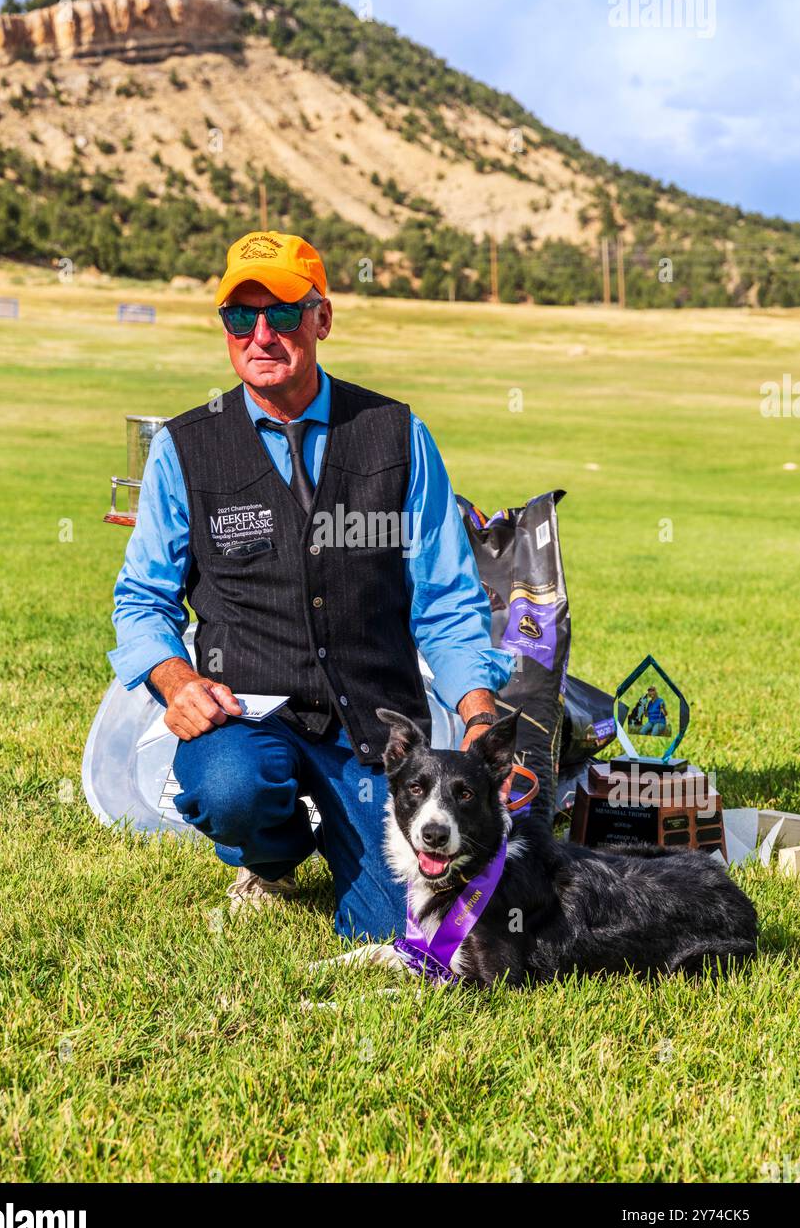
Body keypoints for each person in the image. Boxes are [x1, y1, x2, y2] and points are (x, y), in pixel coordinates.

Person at [108, 230, 515, 941]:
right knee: (232, 788)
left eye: (283, 313)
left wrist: (479, 712)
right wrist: (176, 682)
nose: (260, 334)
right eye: (241, 316)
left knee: (399, 928)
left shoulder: (397, 434)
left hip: (374, 737)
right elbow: (142, 599)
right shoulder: (186, 446)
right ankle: (273, 856)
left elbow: (447, 601)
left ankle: (353, 831)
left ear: (321, 319)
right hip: (248, 718)